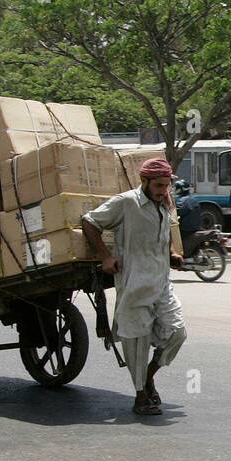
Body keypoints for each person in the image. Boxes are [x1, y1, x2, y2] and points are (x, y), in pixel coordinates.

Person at [81, 159, 187, 416]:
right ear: (145, 182)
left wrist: (172, 252)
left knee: (177, 332)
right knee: (137, 343)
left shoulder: (165, 203)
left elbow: (166, 232)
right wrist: (106, 256)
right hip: (134, 284)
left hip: (161, 283)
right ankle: (140, 395)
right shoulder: (126, 202)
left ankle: (149, 377)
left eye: (167, 185)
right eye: (159, 185)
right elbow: (89, 222)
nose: (164, 190)